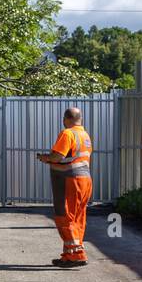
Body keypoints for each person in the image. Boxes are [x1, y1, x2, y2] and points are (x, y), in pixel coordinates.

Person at [35, 107, 93, 268]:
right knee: (78, 218)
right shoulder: (84, 135)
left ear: (66, 118)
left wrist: (45, 158)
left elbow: (58, 156)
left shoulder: (67, 133)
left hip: (69, 181)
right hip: (85, 180)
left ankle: (77, 254)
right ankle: (69, 255)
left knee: (65, 216)